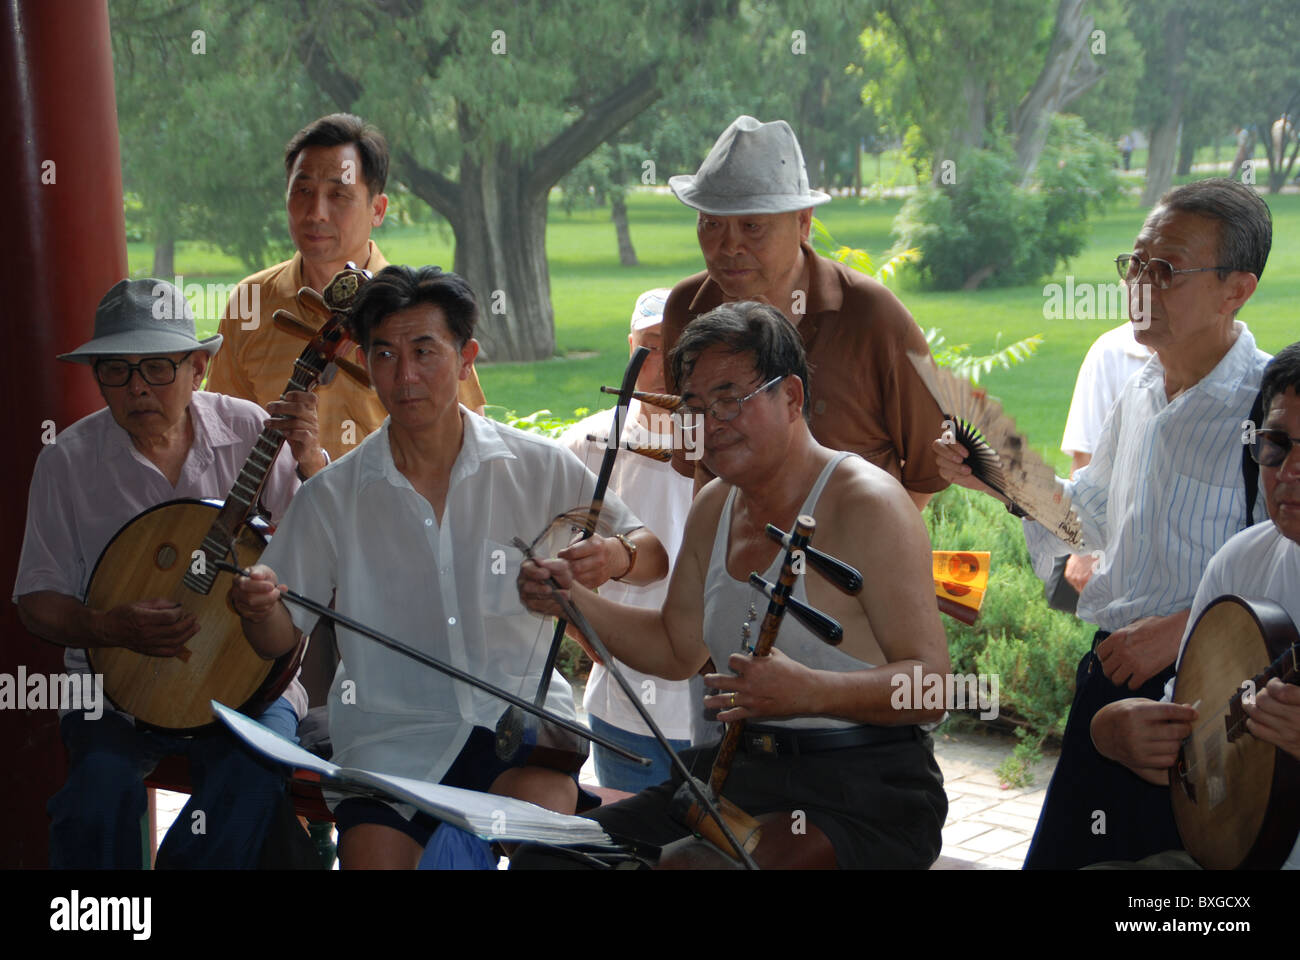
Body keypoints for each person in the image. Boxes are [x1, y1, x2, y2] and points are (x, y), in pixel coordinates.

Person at [229, 265, 668, 869]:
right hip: (392, 746)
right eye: (384, 354)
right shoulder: (332, 495)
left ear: (466, 358)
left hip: (520, 736)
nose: (404, 376)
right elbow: (278, 635)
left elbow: (652, 553)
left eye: (424, 351)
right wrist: (258, 609)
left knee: (539, 833)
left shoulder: (535, 465)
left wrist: (614, 556)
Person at [514, 301, 949, 869]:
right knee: (550, 857)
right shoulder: (715, 503)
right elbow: (676, 648)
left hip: (862, 792)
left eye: (730, 401)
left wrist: (813, 692)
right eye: (694, 406)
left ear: (791, 397)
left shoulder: (867, 502)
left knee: (692, 868)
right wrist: (572, 602)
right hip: (740, 778)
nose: (710, 424)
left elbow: (933, 688)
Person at [933, 178, 1274, 869]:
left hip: (1213, 715)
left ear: (1236, 290)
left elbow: (1286, 564)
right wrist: (1003, 471)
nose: (1140, 287)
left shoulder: (1271, 410)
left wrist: (1179, 632)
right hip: (1113, 683)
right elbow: (1089, 520)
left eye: (1167, 270)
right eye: (1136, 264)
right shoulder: (1144, 388)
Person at [13, 278, 314, 868]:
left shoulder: (252, 431)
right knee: (96, 795)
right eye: (115, 371)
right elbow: (35, 602)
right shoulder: (66, 463)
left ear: (198, 366)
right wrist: (107, 627)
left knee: (254, 768)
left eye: (156, 367)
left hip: (245, 680)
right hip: (110, 686)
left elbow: (311, 556)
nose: (136, 388)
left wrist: (312, 459)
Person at [659, 115, 947, 509]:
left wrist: (869, 549)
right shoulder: (686, 310)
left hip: (852, 563)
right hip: (728, 561)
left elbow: (929, 468)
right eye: (710, 223)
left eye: (752, 226)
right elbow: (690, 458)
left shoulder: (872, 316)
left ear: (803, 223)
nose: (728, 246)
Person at [1089, 343, 1300, 870]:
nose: (1289, 471)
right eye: (1276, 445)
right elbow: (1196, 745)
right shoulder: (1241, 564)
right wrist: (1114, 731)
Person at [205, 113, 485, 462]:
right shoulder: (251, 300)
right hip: (280, 515)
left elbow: (469, 440)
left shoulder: (422, 309)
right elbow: (223, 434)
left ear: (378, 209)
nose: (316, 213)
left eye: (339, 194)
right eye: (303, 191)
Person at [559, 289, 695, 791]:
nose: (662, 363)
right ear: (630, 345)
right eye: (650, 344)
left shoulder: (725, 449)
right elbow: (538, 558)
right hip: (624, 705)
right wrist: (581, 630)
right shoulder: (585, 443)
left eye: (677, 347)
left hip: (711, 708)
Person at [1054, 322, 1153, 597]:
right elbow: (1086, 460)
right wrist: (1085, 550)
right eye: (1130, 277)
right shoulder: (1110, 352)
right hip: (1117, 552)